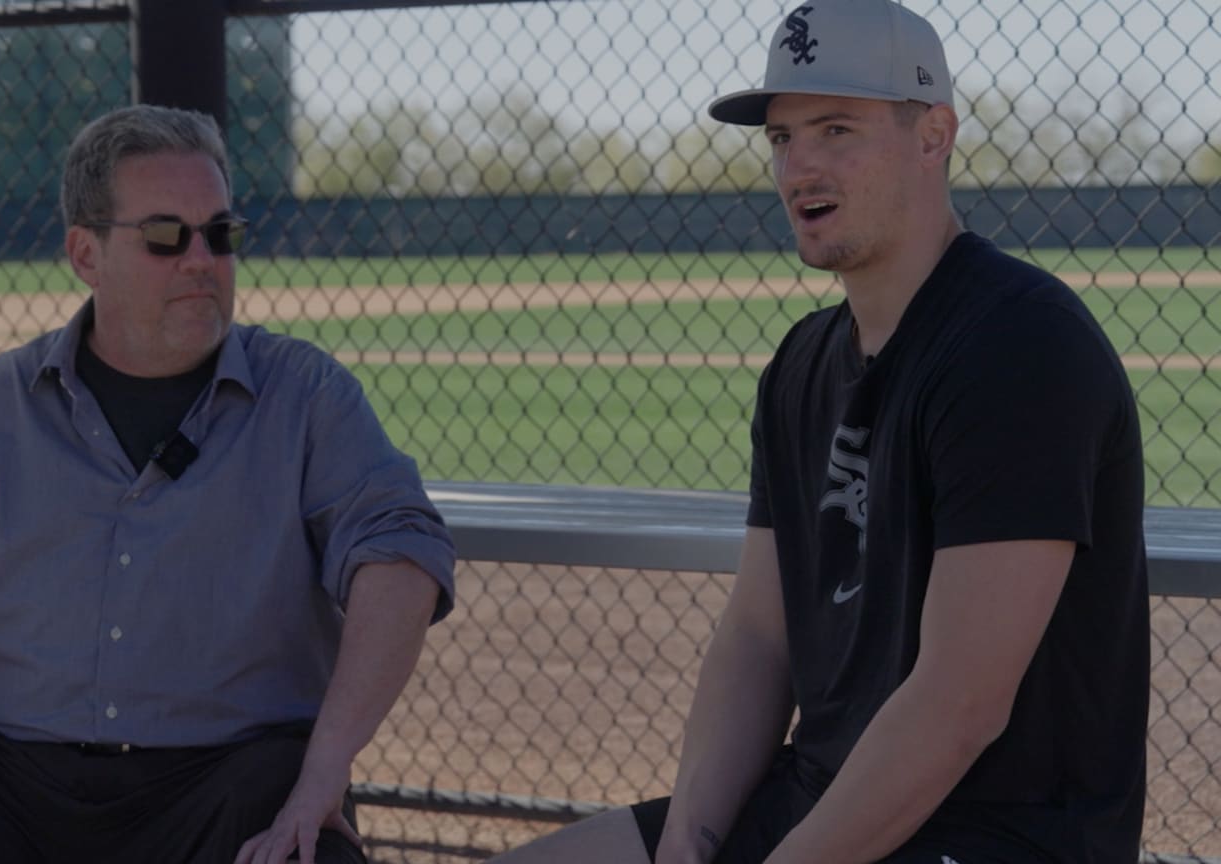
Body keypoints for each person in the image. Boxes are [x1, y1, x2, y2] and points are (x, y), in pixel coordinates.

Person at [491, 1, 1148, 862]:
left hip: (993, 832)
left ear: (933, 135)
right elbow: (759, 637)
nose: (800, 165)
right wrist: (688, 844)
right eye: (781, 138)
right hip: (817, 800)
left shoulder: (1019, 344)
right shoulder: (802, 363)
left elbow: (959, 704)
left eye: (836, 128)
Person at [0, 104, 457, 864]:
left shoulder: (305, 396)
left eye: (221, 233)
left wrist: (322, 776)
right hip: (13, 782)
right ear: (85, 253)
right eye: (166, 236)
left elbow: (403, 557)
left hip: (228, 779)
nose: (202, 259)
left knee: (312, 853)